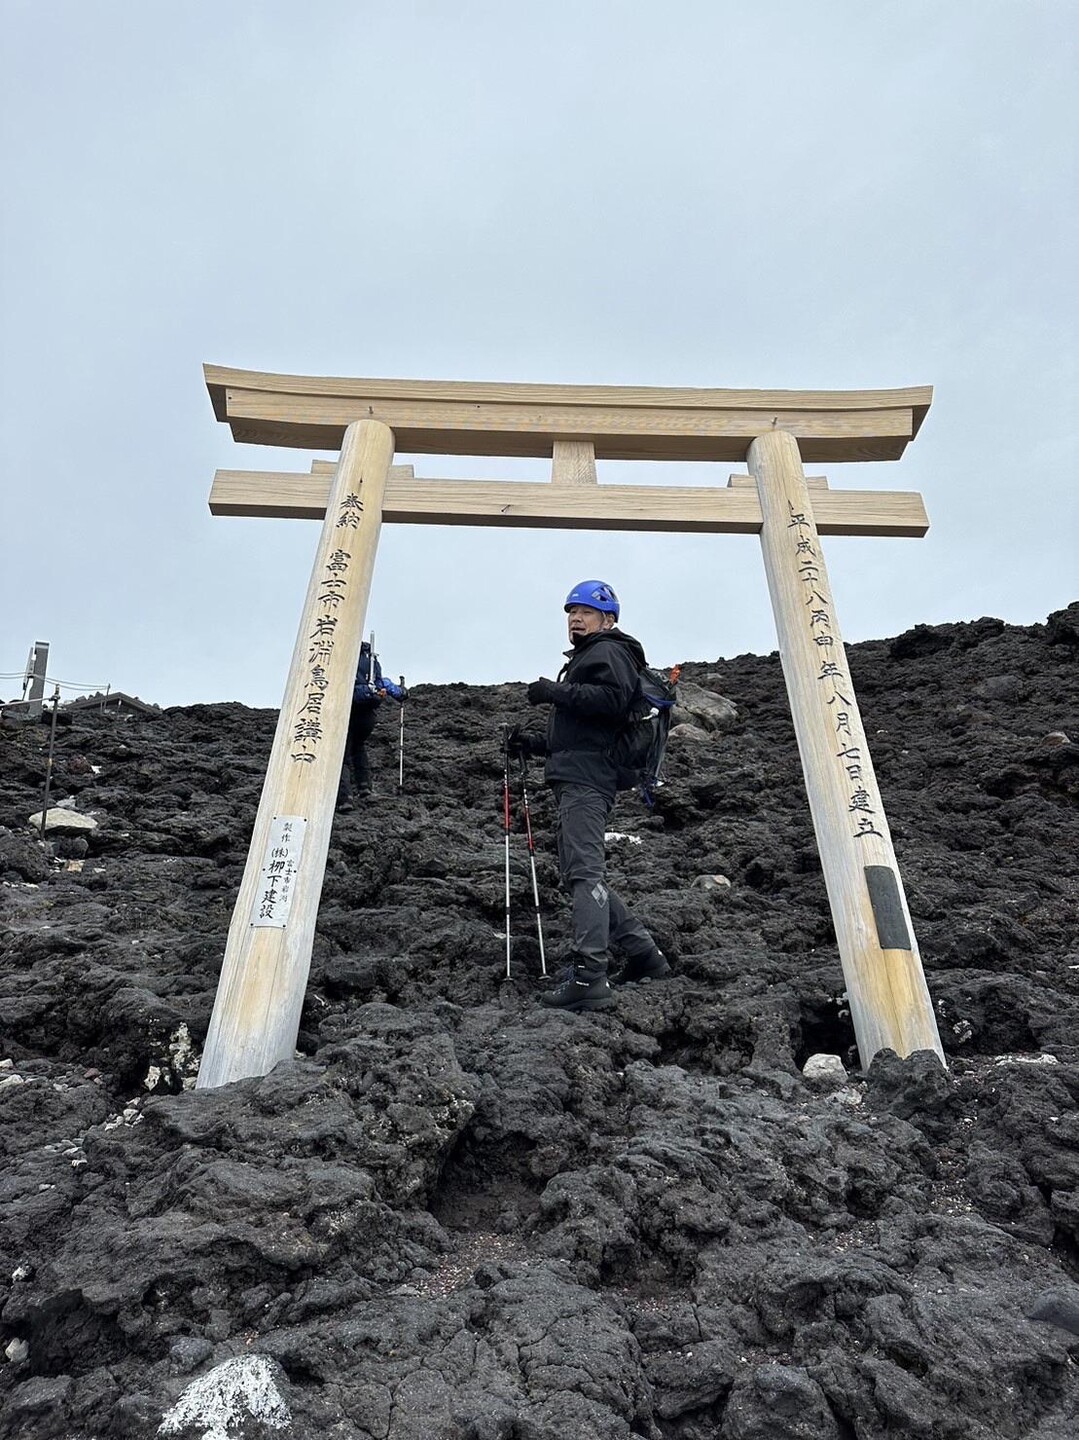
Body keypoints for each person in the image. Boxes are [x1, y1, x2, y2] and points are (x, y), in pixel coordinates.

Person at [509, 580, 670, 1012]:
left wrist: (554, 692)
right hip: (580, 773)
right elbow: (584, 732)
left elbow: (613, 702)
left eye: (585, 613)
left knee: (584, 875)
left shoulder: (609, 650)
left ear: (608, 619)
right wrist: (534, 743)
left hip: (587, 782)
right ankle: (645, 956)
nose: (575, 619)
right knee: (583, 872)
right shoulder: (592, 655)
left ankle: (589, 977)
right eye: (571, 613)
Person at [337, 641, 406, 810]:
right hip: (368, 716)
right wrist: (401, 692)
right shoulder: (372, 663)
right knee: (359, 747)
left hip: (349, 711)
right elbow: (383, 684)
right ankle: (365, 787)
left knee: (342, 755)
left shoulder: (344, 659)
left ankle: (345, 799)